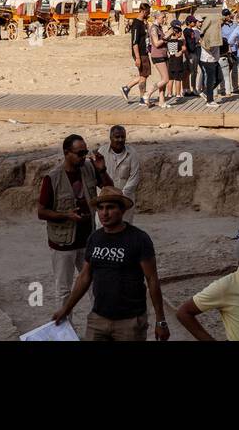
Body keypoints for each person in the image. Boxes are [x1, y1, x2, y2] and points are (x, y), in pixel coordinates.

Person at [51, 187, 169, 341]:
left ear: (122, 210)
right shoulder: (95, 238)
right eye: (100, 208)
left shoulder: (139, 239)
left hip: (130, 322)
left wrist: (161, 321)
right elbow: (84, 277)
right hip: (98, 319)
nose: (104, 213)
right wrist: (66, 309)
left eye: (110, 207)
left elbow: (152, 280)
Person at [37, 134, 113, 307]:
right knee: (64, 290)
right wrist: (66, 216)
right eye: (79, 153)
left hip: (87, 239)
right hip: (63, 243)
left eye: (85, 152)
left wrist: (102, 170)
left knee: (94, 283)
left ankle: (99, 323)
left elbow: (110, 190)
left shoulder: (88, 168)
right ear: (66, 153)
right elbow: (41, 212)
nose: (83, 156)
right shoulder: (53, 178)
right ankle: (66, 333)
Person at [97, 125, 141, 223]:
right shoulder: (102, 152)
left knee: (124, 227)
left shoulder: (132, 154)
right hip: (105, 199)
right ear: (110, 138)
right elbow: (98, 177)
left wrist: (121, 196)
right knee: (103, 226)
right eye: (117, 137)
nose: (120, 140)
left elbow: (134, 178)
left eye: (122, 137)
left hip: (125, 199)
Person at [122, 2, 154, 106]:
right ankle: (141, 98)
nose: (148, 14)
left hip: (144, 51)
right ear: (144, 11)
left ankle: (126, 88)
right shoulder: (136, 24)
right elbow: (134, 42)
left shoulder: (142, 23)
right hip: (140, 53)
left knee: (144, 74)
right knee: (144, 76)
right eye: (148, 12)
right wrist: (137, 58)